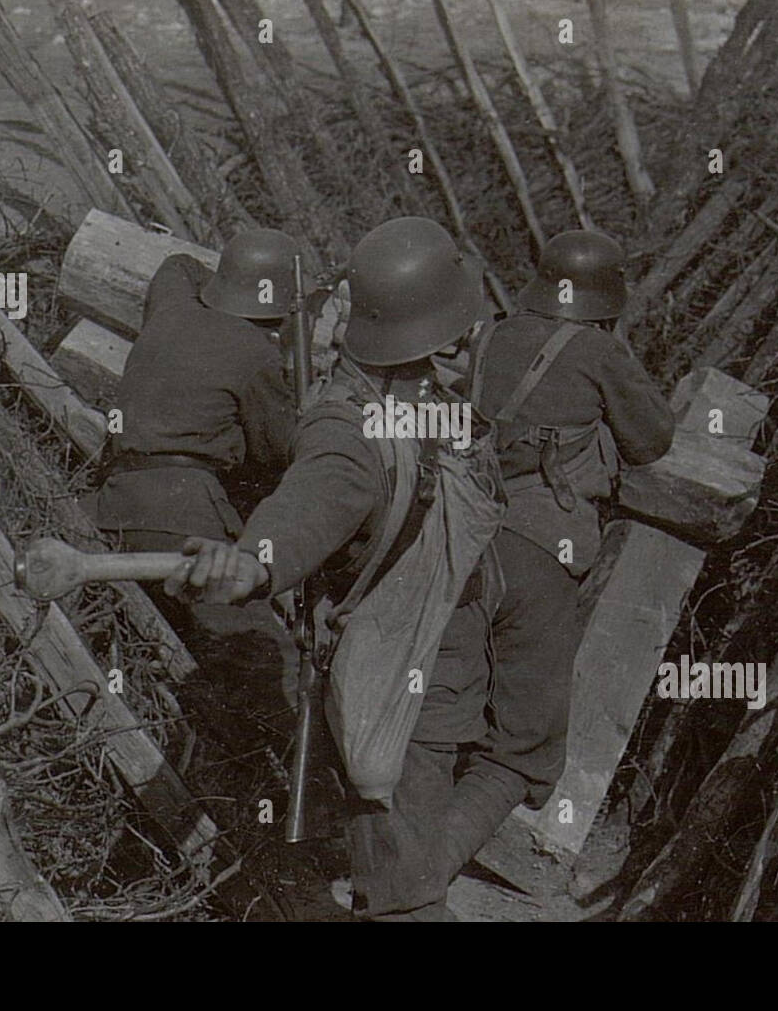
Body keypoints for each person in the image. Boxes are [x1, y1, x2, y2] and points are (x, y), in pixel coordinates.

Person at [163, 216, 499, 921]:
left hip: (443, 674)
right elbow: (313, 501)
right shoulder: (348, 429)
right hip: (401, 694)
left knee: (411, 865)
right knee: (406, 898)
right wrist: (256, 563)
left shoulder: (421, 400)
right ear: (444, 335)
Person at [443, 228, 675, 878]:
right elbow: (654, 439)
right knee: (527, 745)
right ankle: (421, 873)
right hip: (539, 548)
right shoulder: (598, 351)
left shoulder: (491, 333)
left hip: (461, 535)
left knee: (445, 707)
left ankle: (407, 850)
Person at [82, 228, 299, 631]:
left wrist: (230, 280)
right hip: (183, 517)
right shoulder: (258, 353)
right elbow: (280, 454)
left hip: (110, 503)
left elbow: (177, 264)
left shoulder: (173, 305)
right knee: (261, 660)